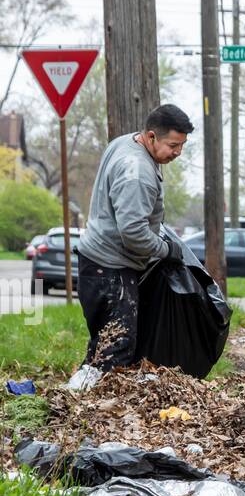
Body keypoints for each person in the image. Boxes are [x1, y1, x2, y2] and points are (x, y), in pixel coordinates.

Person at [76, 103, 193, 372]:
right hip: (109, 271)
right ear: (151, 136)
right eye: (173, 145)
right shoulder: (137, 172)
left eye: (182, 145)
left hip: (99, 263)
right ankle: (97, 410)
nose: (178, 152)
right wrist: (165, 250)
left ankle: (80, 398)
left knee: (104, 344)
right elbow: (133, 233)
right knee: (117, 347)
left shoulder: (125, 143)